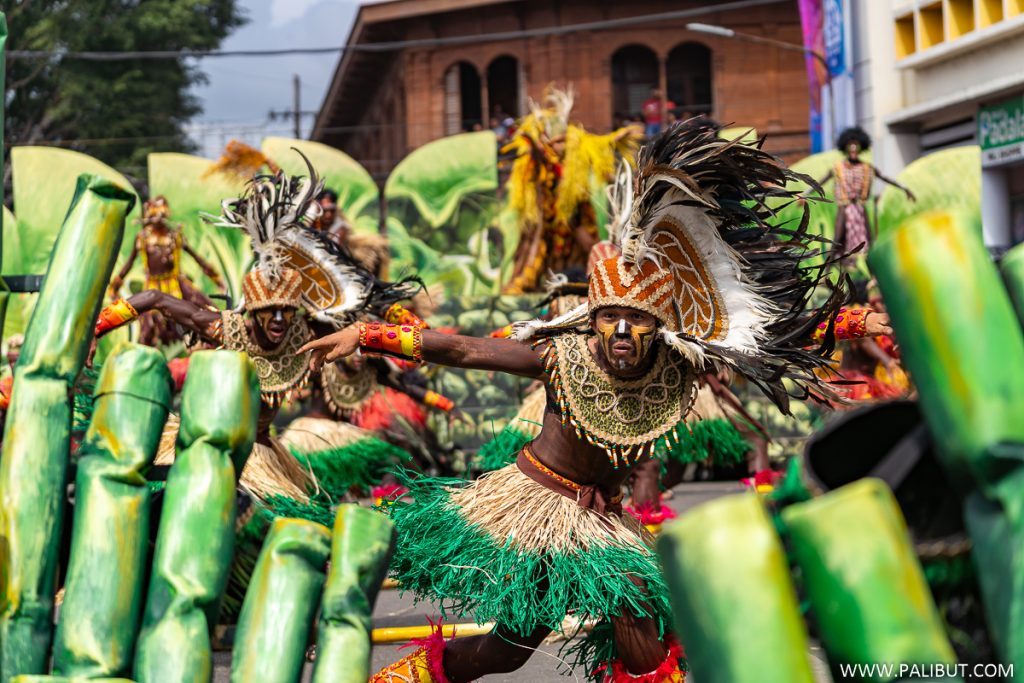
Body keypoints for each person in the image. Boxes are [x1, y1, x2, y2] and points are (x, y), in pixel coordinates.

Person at [302, 123, 885, 681]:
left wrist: (861, 320)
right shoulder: (560, 355)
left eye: (637, 319)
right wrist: (368, 334)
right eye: (611, 318)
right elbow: (462, 349)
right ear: (593, 319)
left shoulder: (679, 363)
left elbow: (773, 339)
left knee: (564, 637)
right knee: (537, 641)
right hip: (535, 511)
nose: (624, 332)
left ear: (658, 325)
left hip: (601, 517)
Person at [94, 163, 421, 504]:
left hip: (266, 459)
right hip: (215, 455)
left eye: (287, 311)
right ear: (253, 312)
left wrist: (406, 322)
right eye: (270, 312)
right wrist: (97, 329)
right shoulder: (226, 329)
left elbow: (362, 313)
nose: (280, 319)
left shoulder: (304, 333)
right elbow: (155, 299)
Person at [501, 85, 640, 294]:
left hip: (575, 214)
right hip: (547, 218)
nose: (560, 145)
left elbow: (600, 144)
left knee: (586, 246)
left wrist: (620, 137)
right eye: (555, 141)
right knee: (538, 250)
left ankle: (594, 280)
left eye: (562, 140)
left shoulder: (576, 148)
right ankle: (532, 283)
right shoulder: (538, 158)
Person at [108, 196, 225, 347]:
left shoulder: (175, 236)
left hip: (176, 284)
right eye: (155, 215)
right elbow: (128, 264)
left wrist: (216, 278)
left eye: (162, 214)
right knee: (147, 330)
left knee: (207, 312)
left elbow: (197, 257)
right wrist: (115, 287)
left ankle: (216, 343)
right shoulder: (143, 239)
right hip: (152, 288)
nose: (159, 218)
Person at [818, 127, 916, 269]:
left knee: (869, 241)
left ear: (860, 148)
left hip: (859, 208)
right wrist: (804, 195)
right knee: (837, 239)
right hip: (844, 208)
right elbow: (820, 181)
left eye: (856, 146)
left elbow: (885, 178)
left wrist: (904, 188)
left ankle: (875, 273)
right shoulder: (837, 167)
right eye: (850, 146)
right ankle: (824, 273)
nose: (853, 149)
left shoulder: (867, 167)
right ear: (845, 148)